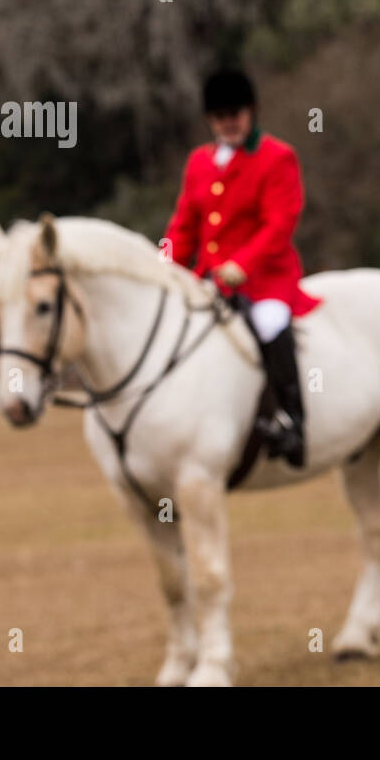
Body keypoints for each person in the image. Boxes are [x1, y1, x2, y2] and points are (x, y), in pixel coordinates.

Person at [162, 69, 322, 467]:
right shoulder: (199, 162)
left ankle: (292, 421)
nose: (227, 123)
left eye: (234, 114)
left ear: (251, 112)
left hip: (266, 279)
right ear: (209, 119)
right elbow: (183, 226)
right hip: (211, 281)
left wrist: (242, 265)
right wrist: (161, 265)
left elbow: (280, 223)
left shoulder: (277, 157)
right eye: (219, 116)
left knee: (270, 323)